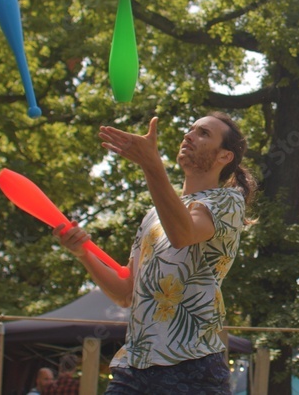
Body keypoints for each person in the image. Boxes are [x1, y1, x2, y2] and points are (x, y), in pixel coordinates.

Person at [56, 112, 256, 394]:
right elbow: (126, 292)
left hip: (191, 368)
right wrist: (82, 254)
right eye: (191, 128)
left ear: (225, 156)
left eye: (204, 133)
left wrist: (151, 164)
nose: (189, 135)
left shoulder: (227, 201)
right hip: (134, 365)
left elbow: (183, 234)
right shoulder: (154, 215)